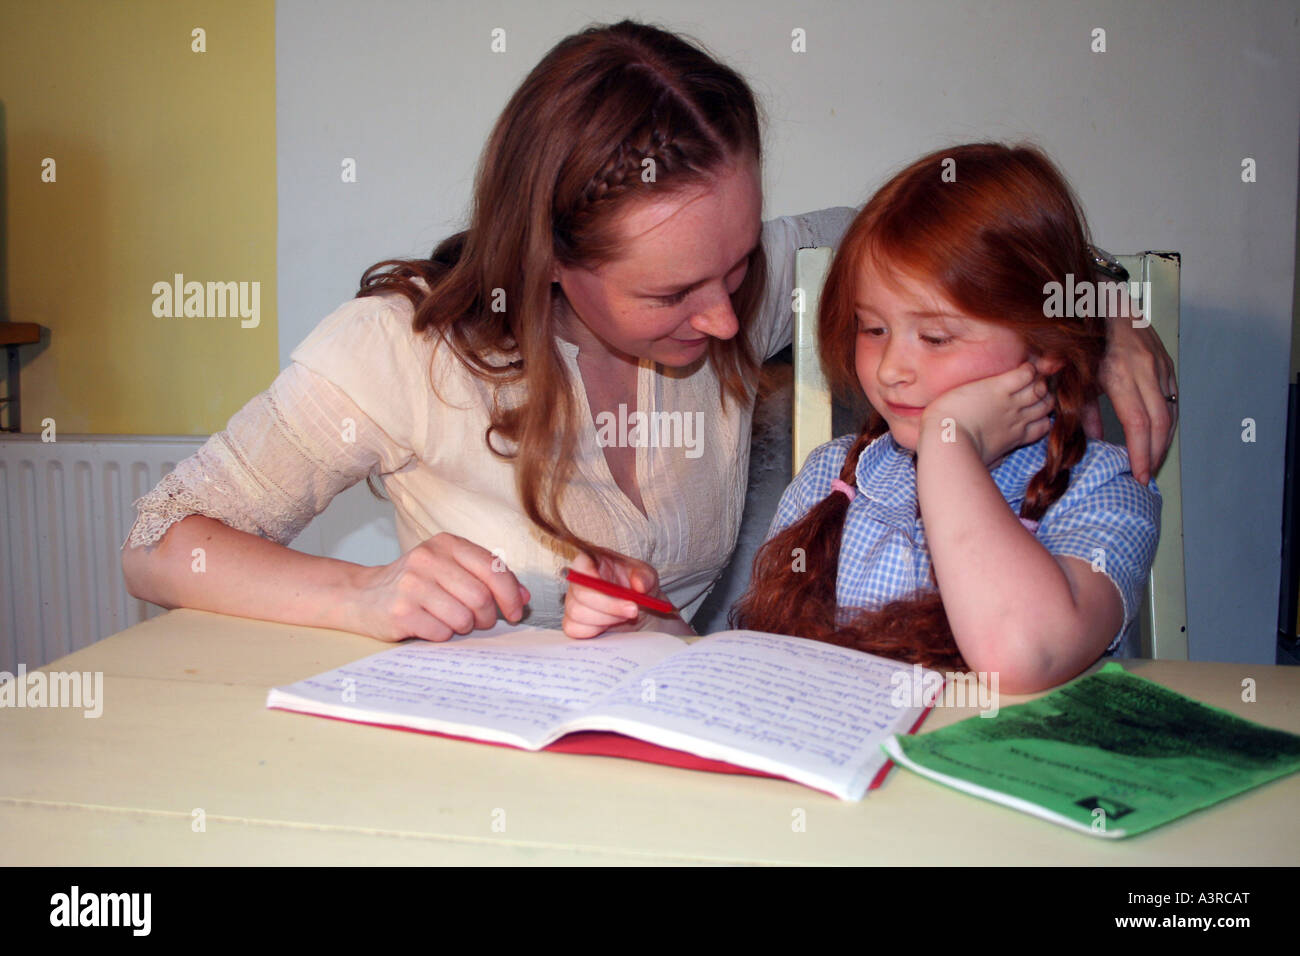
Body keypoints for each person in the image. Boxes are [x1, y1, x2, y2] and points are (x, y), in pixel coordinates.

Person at [121, 21, 1176, 647]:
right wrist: (361, 593)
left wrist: (1096, 309)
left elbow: (952, 241)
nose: (725, 320)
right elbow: (161, 540)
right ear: (551, 265)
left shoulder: (733, 290)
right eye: (672, 296)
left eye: (737, 270)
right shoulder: (397, 355)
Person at [729, 143, 1163, 694]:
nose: (890, 370)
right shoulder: (831, 478)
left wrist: (949, 448)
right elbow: (760, 669)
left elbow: (1023, 654)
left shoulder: (1103, 491)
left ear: (1045, 345)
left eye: (935, 337)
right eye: (872, 328)